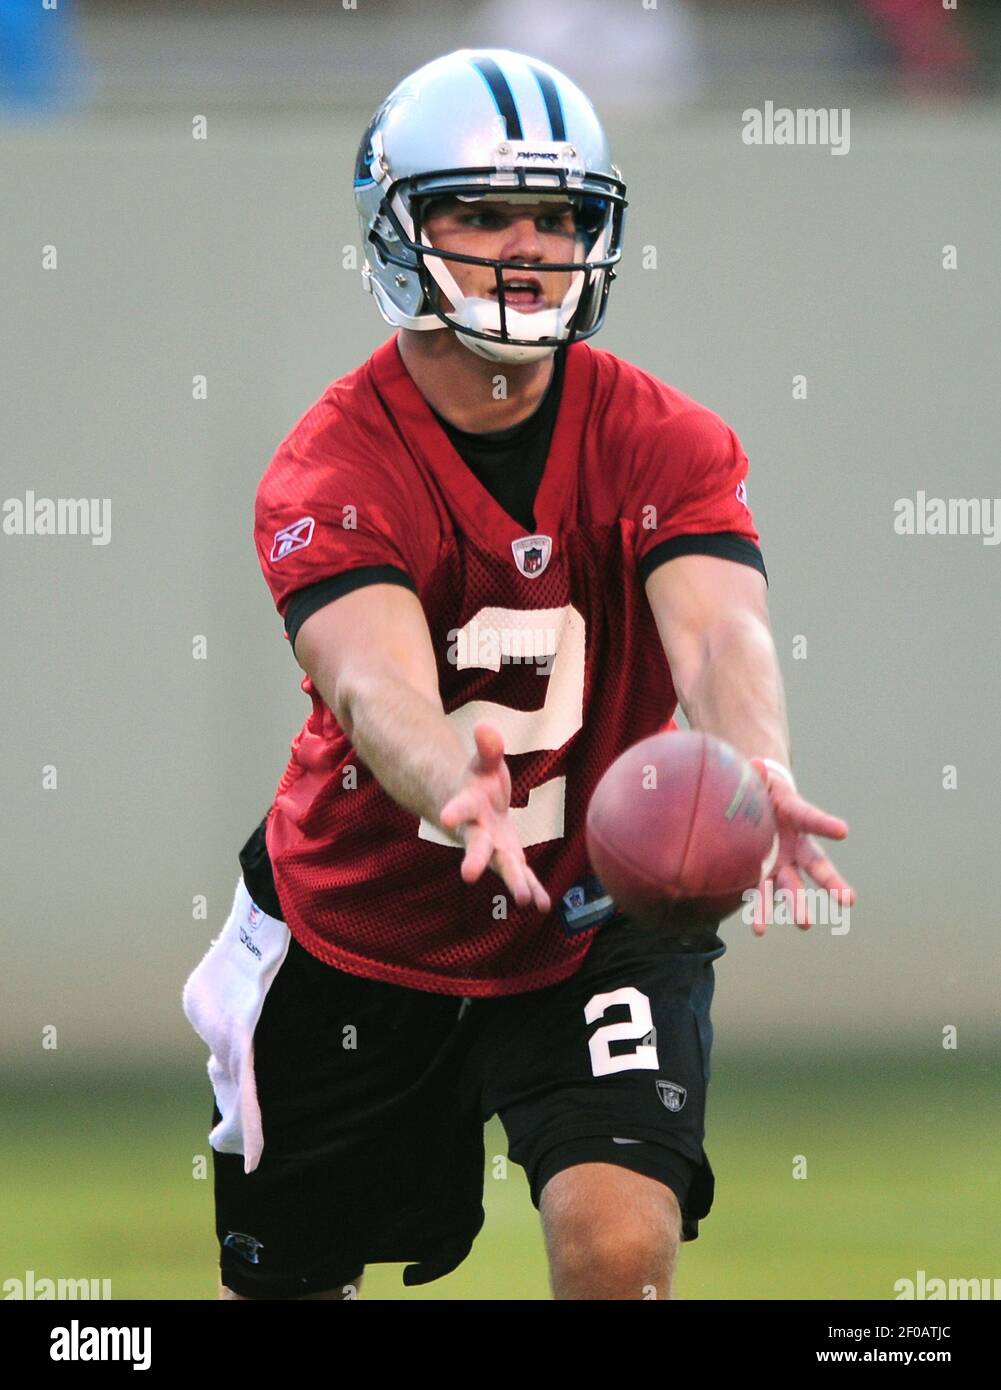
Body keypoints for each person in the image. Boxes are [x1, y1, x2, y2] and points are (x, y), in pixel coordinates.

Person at [183, 47, 854, 1302]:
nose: (527, 245)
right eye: (481, 211)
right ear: (399, 229)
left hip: (591, 920)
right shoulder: (328, 468)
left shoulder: (664, 435)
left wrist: (758, 764)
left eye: (556, 215)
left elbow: (714, 634)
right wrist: (454, 783)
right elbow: (373, 682)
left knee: (620, 1252)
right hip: (363, 932)